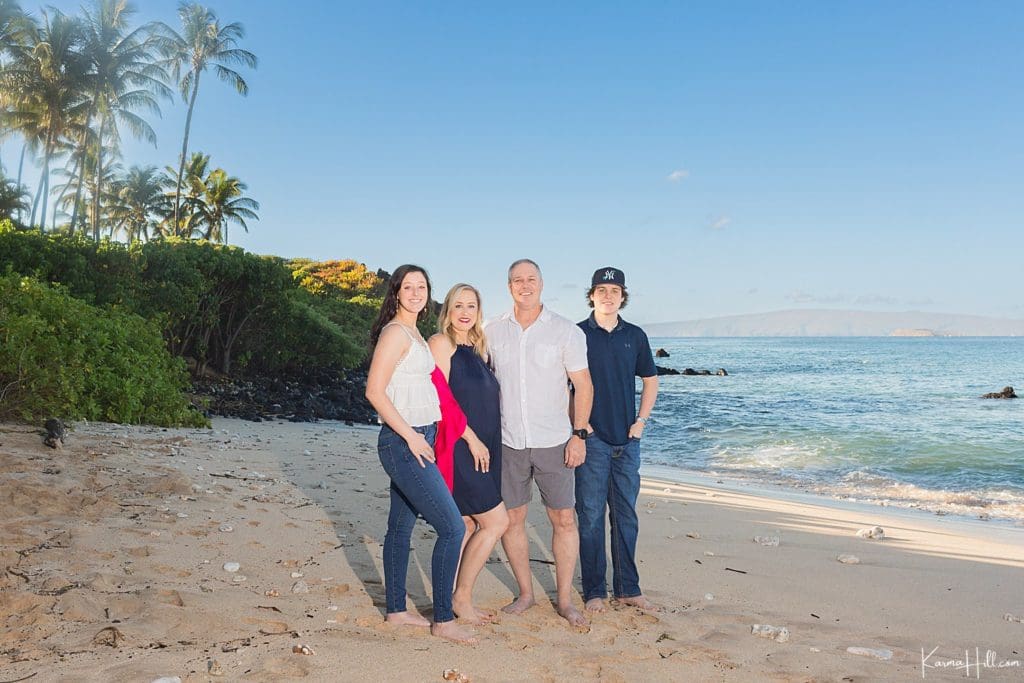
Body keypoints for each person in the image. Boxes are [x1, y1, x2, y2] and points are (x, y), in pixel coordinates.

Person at [364, 265, 476, 644]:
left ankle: (396, 610)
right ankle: (443, 619)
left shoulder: (412, 331)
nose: (415, 292)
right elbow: (374, 392)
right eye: (408, 286)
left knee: (400, 527)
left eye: (421, 286)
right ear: (396, 292)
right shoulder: (395, 333)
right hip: (403, 442)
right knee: (453, 527)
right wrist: (412, 437)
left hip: (418, 437)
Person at [485, 259, 594, 628]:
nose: (524, 285)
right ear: (509, 286)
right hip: (509, 441)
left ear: (542, 284)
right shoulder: (492, 330)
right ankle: (527, 593)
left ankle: (564, 600)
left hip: (554, 441)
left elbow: (583, 385)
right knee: (512, 519)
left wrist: (579, 435)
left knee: (563, 518)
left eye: (531, 279)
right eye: (517, 280)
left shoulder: (565, 331)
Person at [575, 267, 660, 613]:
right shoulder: (577, 334)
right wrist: (581, 425)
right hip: (592, 440)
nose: (608, 296)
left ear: (623, 296)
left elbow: (651, 380)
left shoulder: (635, 336)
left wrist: (640, 422)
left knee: (625, 516)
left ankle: (628, 588)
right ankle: (594, 591)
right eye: (601, 290)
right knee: (591, 515)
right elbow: (566, 385)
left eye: (614, 290)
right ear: (591, 295)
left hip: (628, 442)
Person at [429, 284, 510, 624]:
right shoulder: (441, 344)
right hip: (462, 446)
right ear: (447, 310)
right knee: (496, 521)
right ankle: (461, 598)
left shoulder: (478, 349)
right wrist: (472, 439)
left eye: (472, 306)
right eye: (458, 305)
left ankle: (446, 600)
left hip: (487, 447)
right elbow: (440, 401)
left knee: (463, 523)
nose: (465, 312)